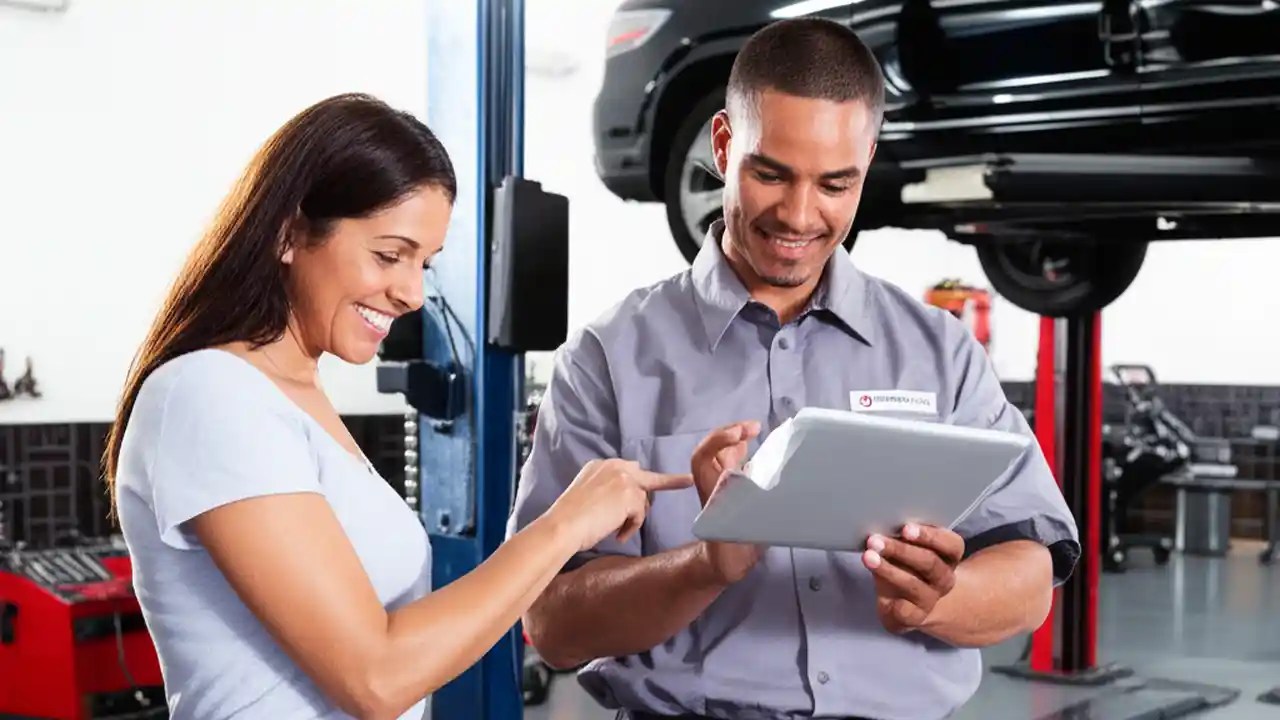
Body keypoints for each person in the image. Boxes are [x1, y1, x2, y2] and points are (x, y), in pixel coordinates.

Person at [507, 19, 1081, 720]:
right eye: (770, 173)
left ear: (867, 160)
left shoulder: (941, 353)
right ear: (722, 145)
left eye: (835, 183)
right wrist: (702, 567)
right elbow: (552, 623)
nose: (799, 215)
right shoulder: (609, 358)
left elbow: (1030, 571)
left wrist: (941, 598)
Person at [103, 93, 696, 720]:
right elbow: (377, 677)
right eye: (389, 255)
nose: (412, 293)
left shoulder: (297, 399)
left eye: (425, 264)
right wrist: (564, 524)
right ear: (288, 232)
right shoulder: (209, 396)